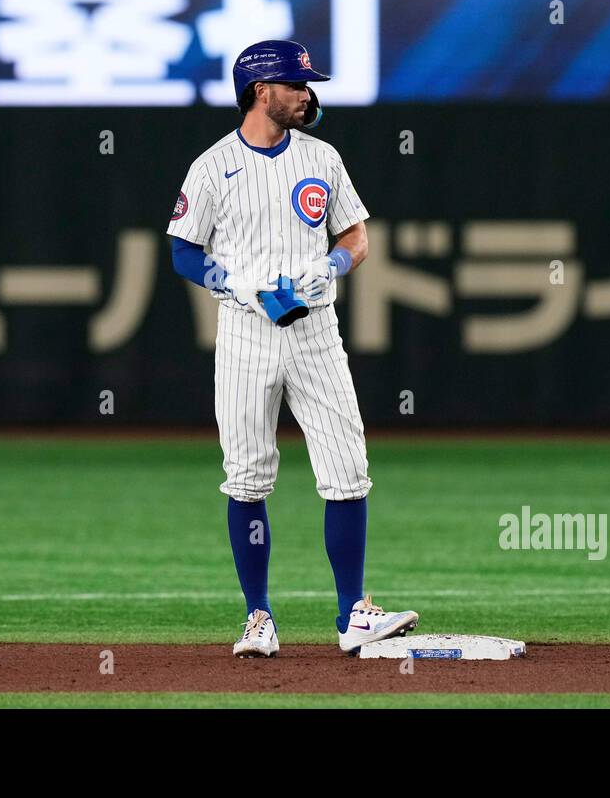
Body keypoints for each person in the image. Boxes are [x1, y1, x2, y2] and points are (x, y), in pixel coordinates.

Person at [165, 39, 420, 658]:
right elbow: (182, 249)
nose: (308, 93)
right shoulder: (212, 166)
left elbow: (356, 234)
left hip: (315, 332)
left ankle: (353, 613)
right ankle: (258, 617)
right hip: (246, 332)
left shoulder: (322, 157)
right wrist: (227, 281)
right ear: (261, 91)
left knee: (347, 471)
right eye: (296, 84)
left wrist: (333, 263)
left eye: (308, 84)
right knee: (247, 478)